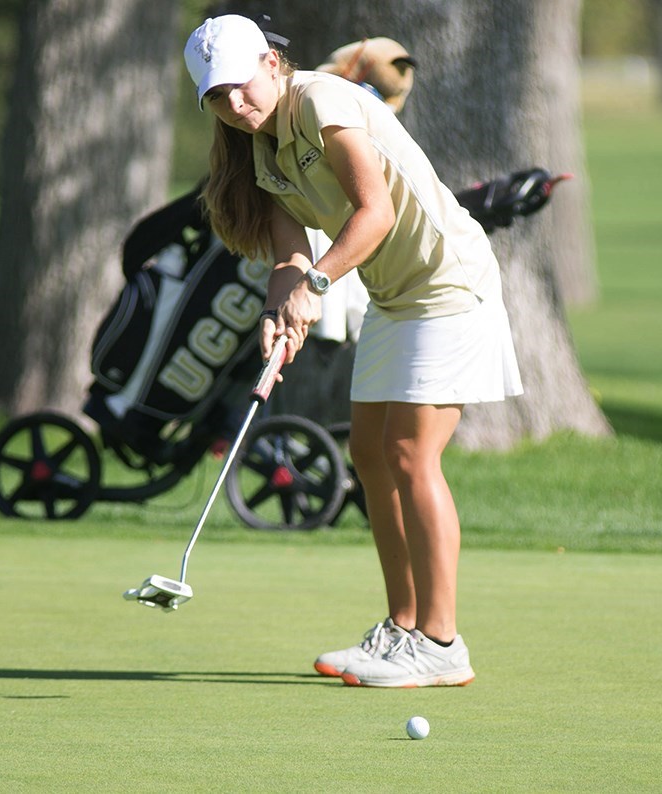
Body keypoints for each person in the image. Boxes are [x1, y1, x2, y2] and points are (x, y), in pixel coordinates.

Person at [184, 15, 522, 688]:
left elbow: (376, 212)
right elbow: (289, 253)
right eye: (217, 97)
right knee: (368, 455)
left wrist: (315, 285)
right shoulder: (259, 149)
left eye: (241, 86)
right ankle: (402, 631)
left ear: (272, 64)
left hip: (449, 284)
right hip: (395, 299)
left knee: (409, 454)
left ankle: (443, 642)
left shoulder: (321, 101)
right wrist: (281, 309)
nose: (235, 104)